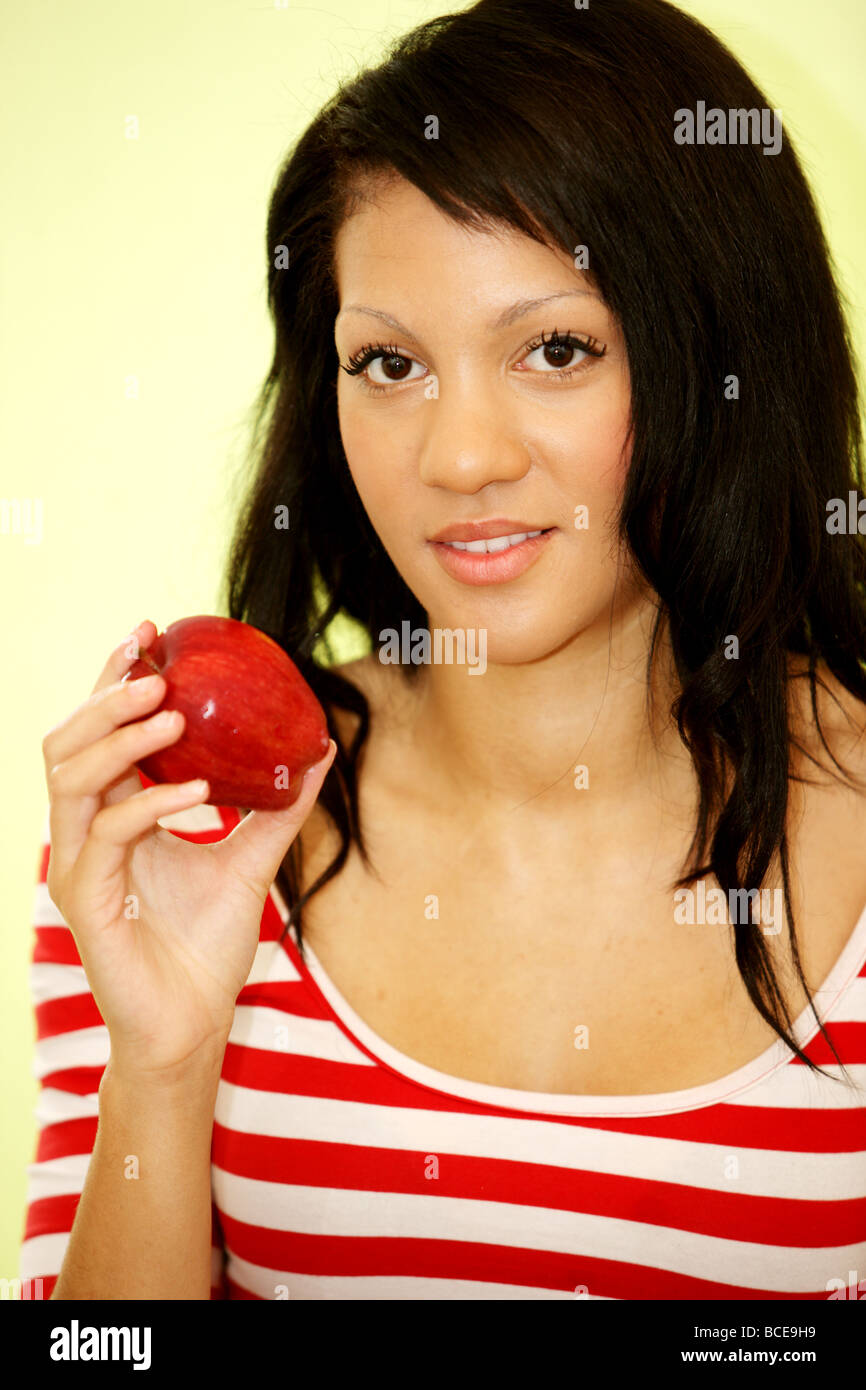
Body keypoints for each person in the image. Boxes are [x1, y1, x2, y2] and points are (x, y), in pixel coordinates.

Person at [22, 0, 866, 1300]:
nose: (460, 456)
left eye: (556, 349)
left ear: (717, 352)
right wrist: (166, 1060)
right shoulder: (190, 827)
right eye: (389, 364)